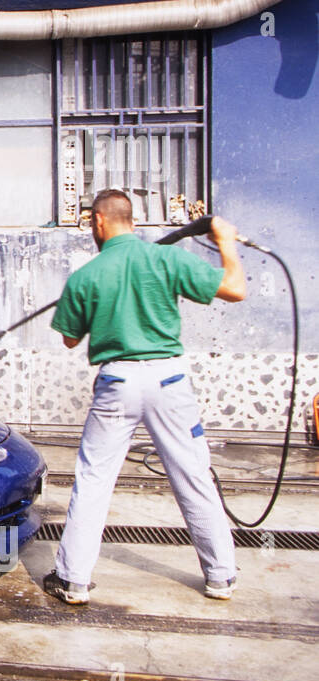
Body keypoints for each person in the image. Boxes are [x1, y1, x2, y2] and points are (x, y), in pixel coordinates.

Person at [43, 189, 246, 605]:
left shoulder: (87, 275)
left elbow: (68, 339)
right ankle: (221, 577)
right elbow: (234, 289)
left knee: (95, 480)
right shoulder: (166, 259)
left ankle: (73, 580)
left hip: (116, 384)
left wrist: (93, 302)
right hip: (169, 383)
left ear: (99, 222)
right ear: (129, 219)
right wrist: (225, 243)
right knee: (193, 476)